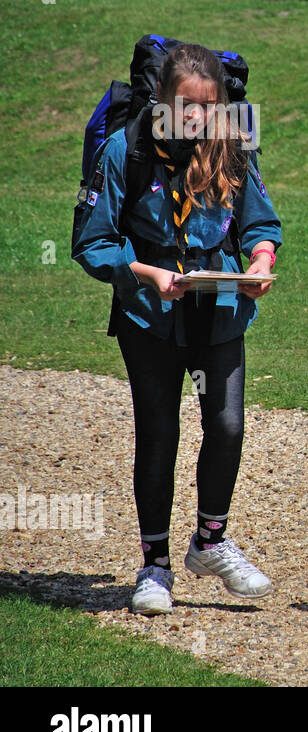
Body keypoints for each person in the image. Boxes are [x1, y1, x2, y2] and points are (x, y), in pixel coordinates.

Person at [72, 43, 283, 615]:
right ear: (161, 99)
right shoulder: (126, 149)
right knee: (159, 433)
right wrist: (145, 272)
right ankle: (155, 567)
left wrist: (260, 261)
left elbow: (260, 222)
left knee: (228, 425)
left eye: (208, 106)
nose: (197, 116)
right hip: (150, 315)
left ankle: (210, 543)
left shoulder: (232, 144)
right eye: (185, 105)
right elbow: (91, 241)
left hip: (220, 308)